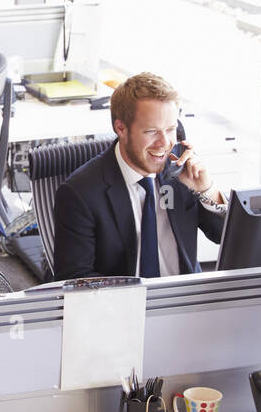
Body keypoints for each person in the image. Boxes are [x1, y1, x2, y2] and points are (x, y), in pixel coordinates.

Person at [52, 72, 226, 280]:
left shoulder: (181, 168)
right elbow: (75, 279)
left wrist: (207, 190)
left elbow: (222, 236)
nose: (164, 143)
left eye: (171, 129)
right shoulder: (80, 194)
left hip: (186, 298)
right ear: (121, 128)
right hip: (121, 305)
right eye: (152, 131)